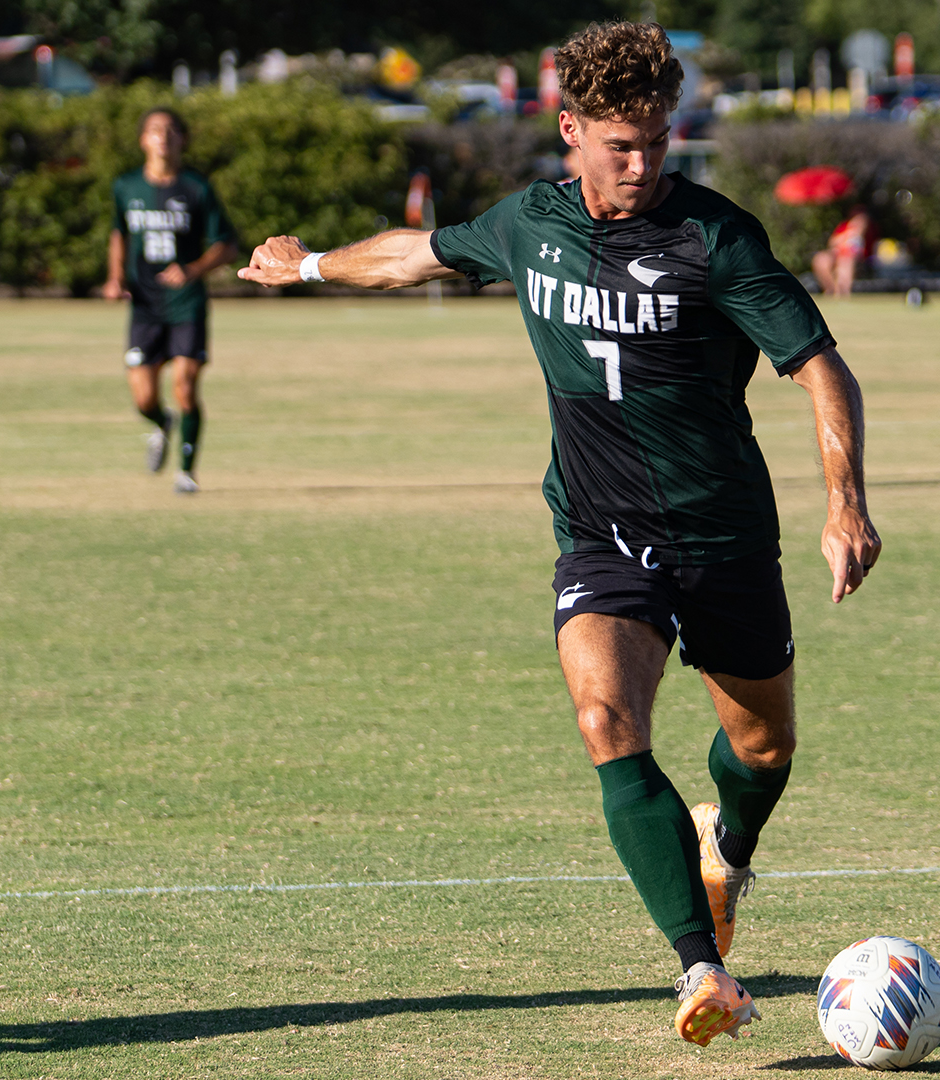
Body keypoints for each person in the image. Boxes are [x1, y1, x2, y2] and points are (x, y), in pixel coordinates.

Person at [237, 21, 880, 1048]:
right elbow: (417, 256)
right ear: (572, 131)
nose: (643, 164)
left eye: (659, 142)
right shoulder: (532, 223)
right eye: (621, 145)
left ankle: (730, 847)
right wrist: (307, 265)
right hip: (600, 531)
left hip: (722, 539)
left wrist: (845, 502)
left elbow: (820, 366)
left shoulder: (719, 239)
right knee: (604, 721)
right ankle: (701, 967)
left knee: (762, 748)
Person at [102, 107, 239, 495]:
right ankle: (161, 424)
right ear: (143, 139)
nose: (163, 136)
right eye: (154, 130)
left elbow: (226, 245)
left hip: (186, 303)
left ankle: (187, 472)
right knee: (144, 397)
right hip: (144, 304)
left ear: (183, 140)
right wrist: (115, 278)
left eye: (171, 130)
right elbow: (118, 234)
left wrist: (193, 270)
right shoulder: (126, 187)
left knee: (185, 386)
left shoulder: (197, 188)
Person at [811, 205, 875, 297]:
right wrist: (846, 235)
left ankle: (843, 292)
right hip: (836, 253)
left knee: (845, 261)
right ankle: (831, 289)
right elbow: (832, 243)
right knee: (820, 260)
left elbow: (860, 250)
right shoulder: (844, 226)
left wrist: (857, 232)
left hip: (853, 258)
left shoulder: (868, 230)